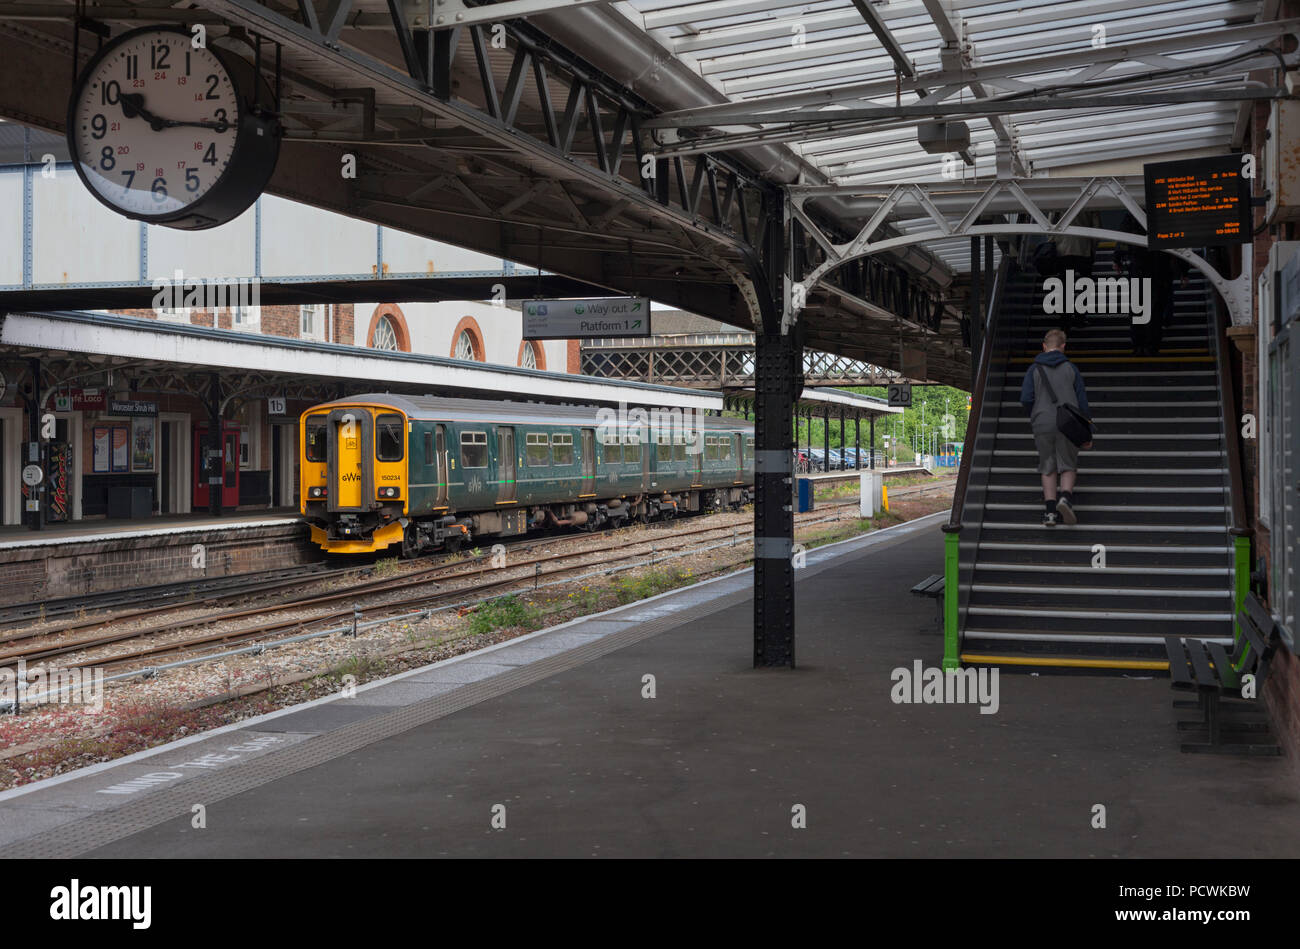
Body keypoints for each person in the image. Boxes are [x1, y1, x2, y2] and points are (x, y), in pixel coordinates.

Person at [1019, 328, 1092, 527]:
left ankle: (1050, 513)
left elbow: (1026, 398)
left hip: (1042, 422)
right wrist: (1087, 431)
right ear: (1063, 347)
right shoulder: (1071, 368)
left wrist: (1035, 415)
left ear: (1044, 346)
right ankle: (1065, 499)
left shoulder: (1034, 369)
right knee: (1068, 464)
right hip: (1068, 423)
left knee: (1048, 466)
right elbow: (1082, 402)